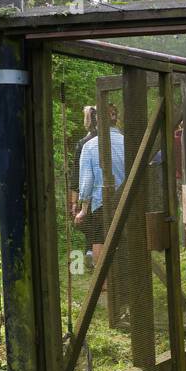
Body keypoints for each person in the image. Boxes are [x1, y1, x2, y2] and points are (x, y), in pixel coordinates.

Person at [71, 104, 125, 264]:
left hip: (102, 204)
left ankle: (104, 285)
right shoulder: (128, 142)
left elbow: (86, 182)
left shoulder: (89, 146)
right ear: (117, 119)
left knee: (99, 241)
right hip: (127, 201)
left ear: (98, 120)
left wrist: (83, 209)